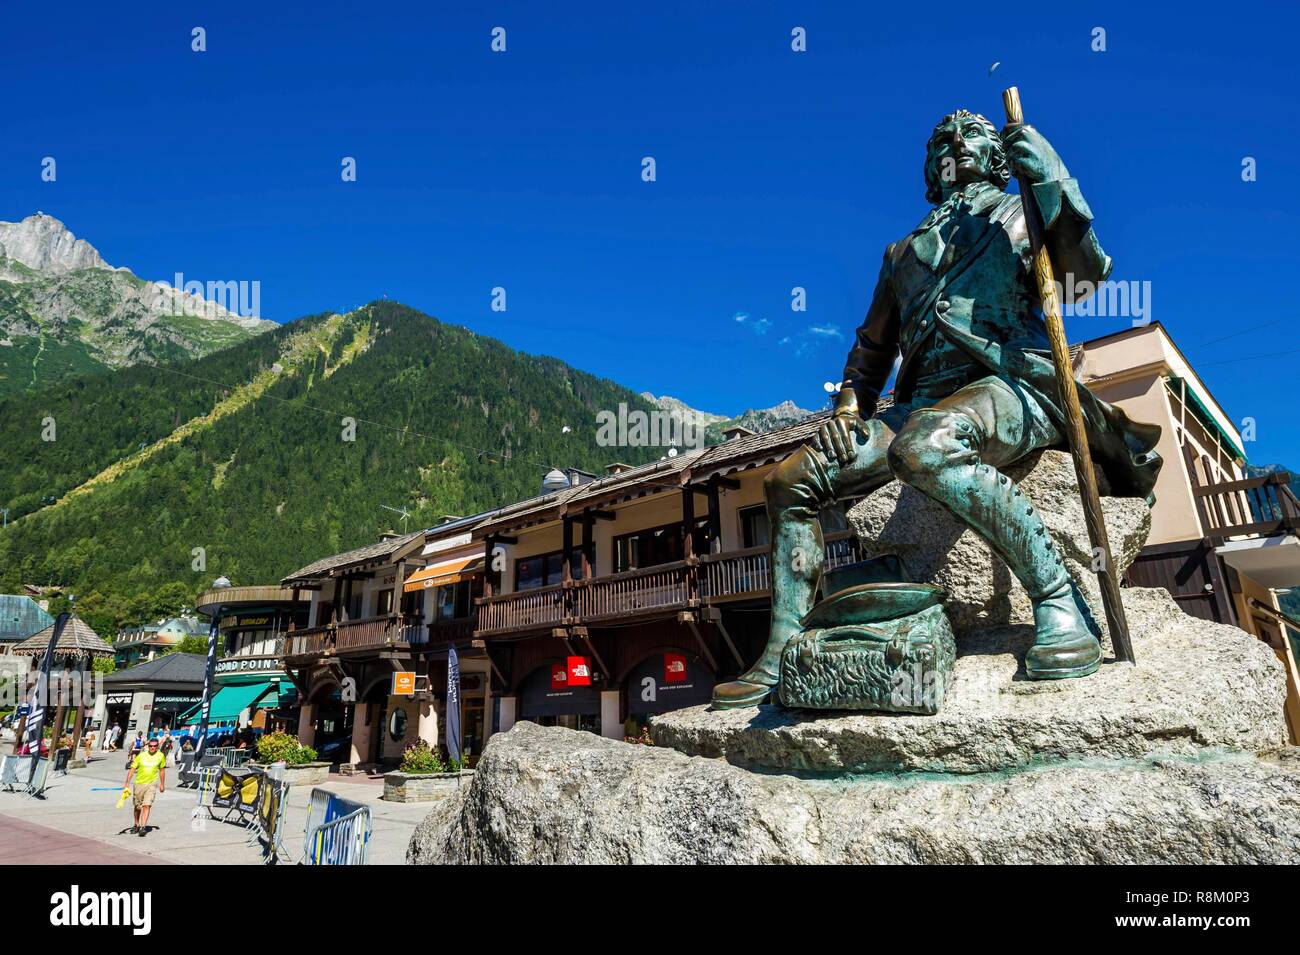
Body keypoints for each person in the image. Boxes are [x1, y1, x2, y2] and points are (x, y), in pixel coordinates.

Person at [712, 107, 1162, 707]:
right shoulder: (901, 253)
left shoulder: (1021, 214)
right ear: (932, 168)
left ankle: (1058, 596)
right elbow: (871, 350)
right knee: (787, 481)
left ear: (1000, 155)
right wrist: (848, 413)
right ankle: (784, 648)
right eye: (943, 140)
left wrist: (1054, 180)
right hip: (920, 400)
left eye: (972, 133)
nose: (957, 142)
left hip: (1011, 387)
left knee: (924, 446)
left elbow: (1086, 276)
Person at [123, 736, 166, 837]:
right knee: (137, 807)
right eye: (150, 746)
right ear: (148, 746)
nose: (152, 748)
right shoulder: (141, 756)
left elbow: (162, 770)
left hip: (151, 784)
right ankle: (136, 824)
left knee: (147, 805)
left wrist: (162, 784)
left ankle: (143, 827)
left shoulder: (160, 756)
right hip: (139, 784)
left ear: (157, 747)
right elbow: (132, 769)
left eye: (155, 746)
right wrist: (127, 783)